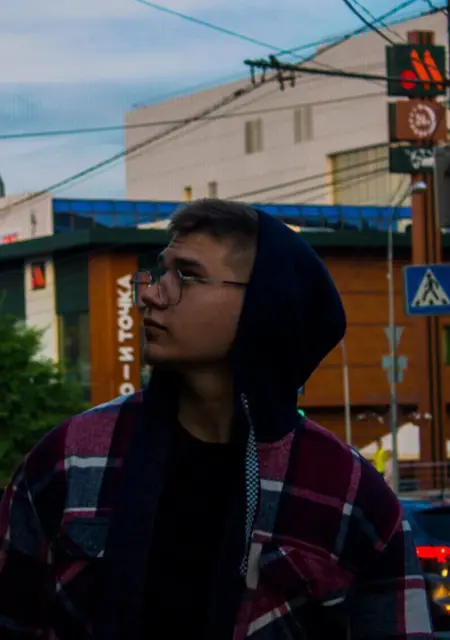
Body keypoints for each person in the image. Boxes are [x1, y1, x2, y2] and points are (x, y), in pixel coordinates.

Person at [0, 199, 432, 639]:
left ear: (263, 303)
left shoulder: (349, 493)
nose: (150, 295)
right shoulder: (69, 459)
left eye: (186, 275)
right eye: (160, 273)